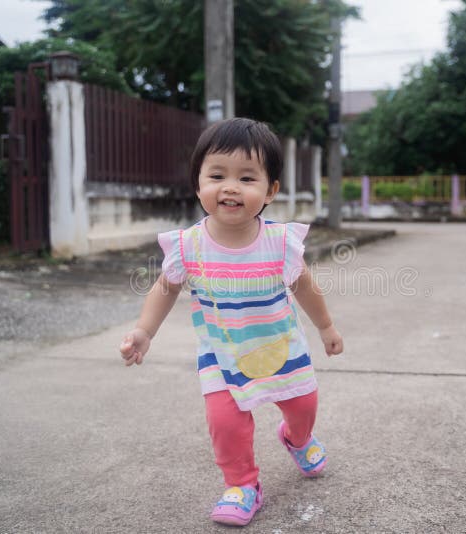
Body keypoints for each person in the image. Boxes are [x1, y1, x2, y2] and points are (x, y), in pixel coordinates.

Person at [118, 117, 343, 527]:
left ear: (271, 190)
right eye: (217, 174)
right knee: (225, 423)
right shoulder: (188, 246)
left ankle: (297, 438)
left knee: (303, 403)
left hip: (281, 346)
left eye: (247, 177)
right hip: (222, 354)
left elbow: (305, 287)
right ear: (198, 183)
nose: (230, 187)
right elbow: (165, 288)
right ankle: (242, 484)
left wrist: (326, 327)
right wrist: (144, 331)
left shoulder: (279, 243)